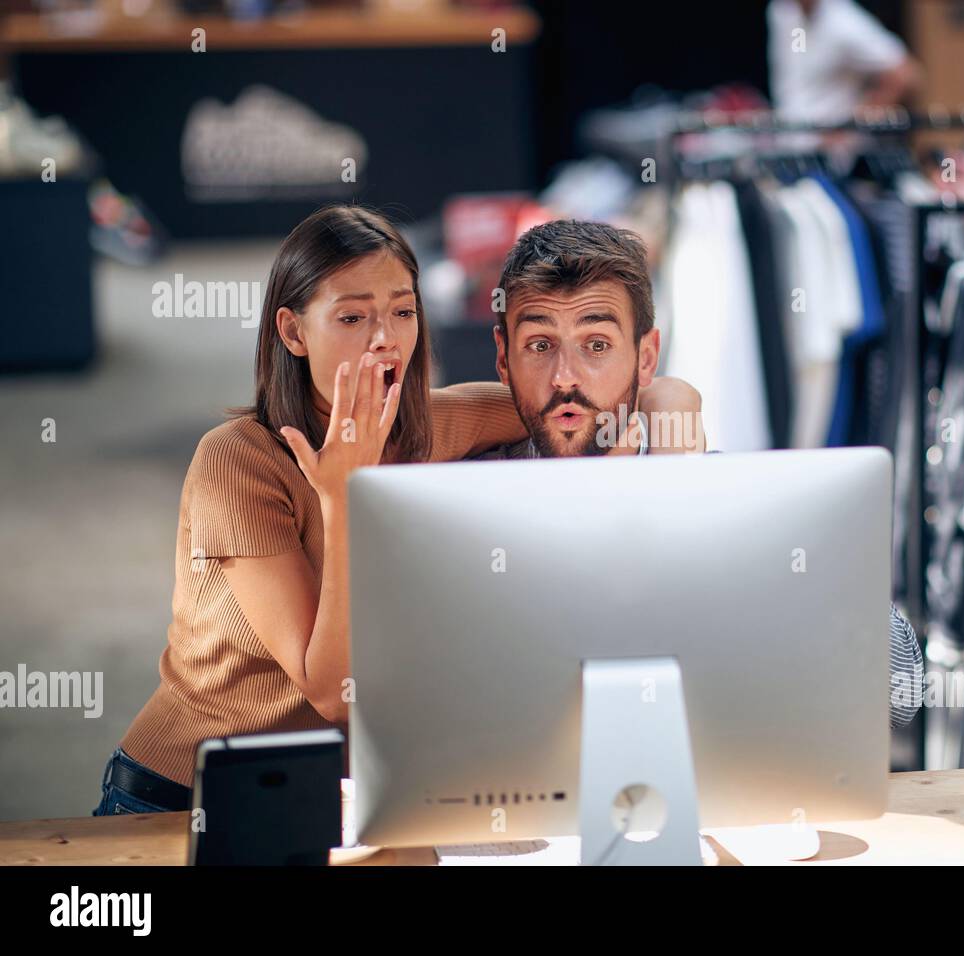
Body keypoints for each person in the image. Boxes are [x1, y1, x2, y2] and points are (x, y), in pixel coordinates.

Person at [92, 205, 704, 816]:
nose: (385, 338)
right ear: (294, 332)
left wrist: (675, 415)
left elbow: (572, 396)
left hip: (332, 796)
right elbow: (332, 689)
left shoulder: (425, 426)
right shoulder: (237, 464)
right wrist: (341, 496)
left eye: (403, 311)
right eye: (353, 316)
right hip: (183, 793)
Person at [482, 218, 924, 728]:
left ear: (646, 359)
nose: (564, 378)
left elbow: (901, 695)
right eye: (540, 345)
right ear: (503, 357)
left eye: (597, 345)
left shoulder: (726, 495)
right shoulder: (460, 506)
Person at [767, 0, 921, 123]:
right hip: (785, 138)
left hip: (823, 149)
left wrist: (851, 127)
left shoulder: (844, 22)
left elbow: (906, 74)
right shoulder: (781, 12)